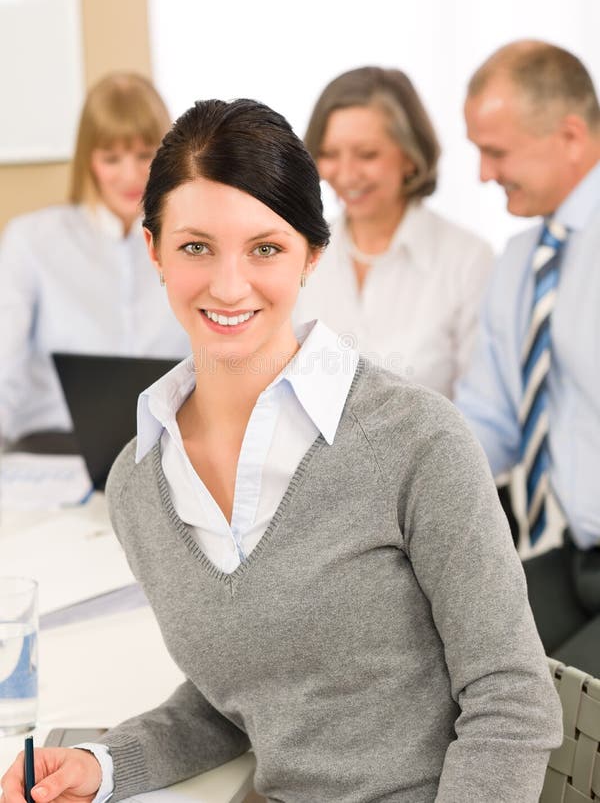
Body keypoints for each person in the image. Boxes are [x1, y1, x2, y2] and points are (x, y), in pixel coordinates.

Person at [1, 98, 561, 803]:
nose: (229, 285)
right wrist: (103, 765)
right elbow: (232, 700)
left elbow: (511, 703)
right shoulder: (139, 483)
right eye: (196, 246)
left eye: (265, 248)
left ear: (310, 256)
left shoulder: (417, 442)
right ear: (155, 251)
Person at [455, 40, 600, 674]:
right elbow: (489, 425)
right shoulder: (519, 263)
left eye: (497, 151)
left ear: (570, 134)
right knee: (450, 676)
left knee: (552, 727)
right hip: (571, 555)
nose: (485, 174)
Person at [0, 72, 189, 445]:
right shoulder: (32, 240)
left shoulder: (193, 243)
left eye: (143, 155)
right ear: (89, 160)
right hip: (55, 445)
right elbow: (5, 363)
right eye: (111, 158)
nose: (130, 175)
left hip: (167, 444)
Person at [293, 66, 494, 398]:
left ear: (411, 157)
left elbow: (482, 410)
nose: (345, 174)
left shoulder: (467, 260)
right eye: (329, 154)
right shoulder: (300, 252)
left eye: (367, 155)